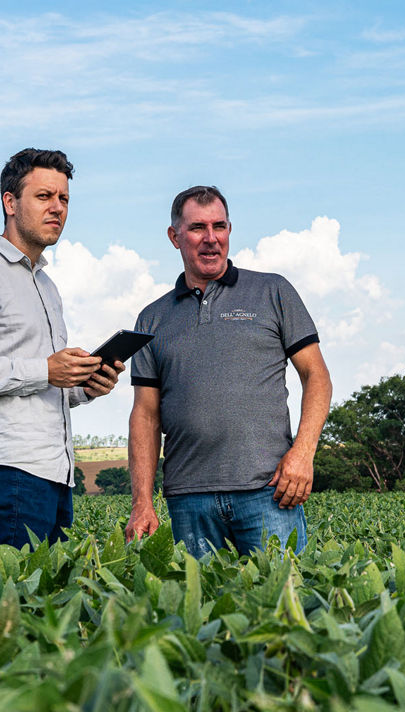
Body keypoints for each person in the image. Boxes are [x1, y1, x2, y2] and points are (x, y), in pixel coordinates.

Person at [0, 148, 123, 556]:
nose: (57, 208)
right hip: (9, 467)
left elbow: (47, 380)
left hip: (55, 470)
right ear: (10, 202)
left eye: (64, 199)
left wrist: (85, 386)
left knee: (44, 603)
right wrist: (45, 371)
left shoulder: (47, 287)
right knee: (11, 604)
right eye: (44, 197)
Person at [124, 186, 333, 558]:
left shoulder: (273, 291)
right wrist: (143, 501)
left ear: (230, 230)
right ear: (174, 237)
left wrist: (303, 454)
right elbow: (145, 414)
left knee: (286, 608)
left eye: (219, 226)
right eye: (197, 228)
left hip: (269, 492)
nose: (210, 239)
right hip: (189, 501)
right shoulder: (152, 318)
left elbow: (316, 376)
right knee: (200, 613)